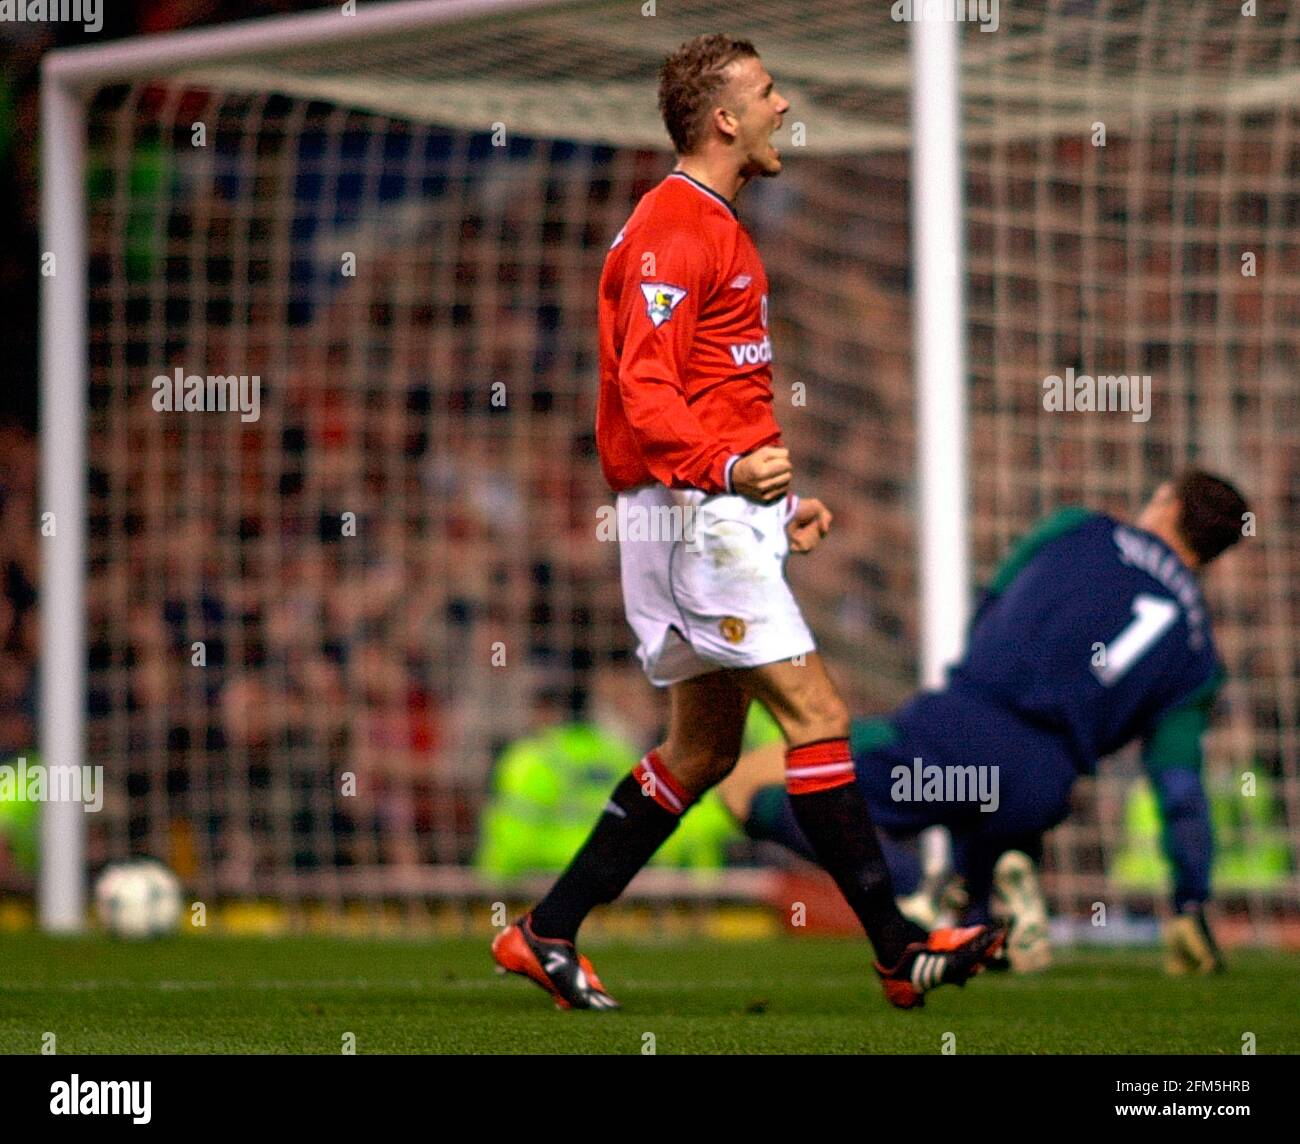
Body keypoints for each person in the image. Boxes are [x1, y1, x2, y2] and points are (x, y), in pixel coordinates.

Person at [491, 34, 1003, 1012]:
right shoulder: (673, 226)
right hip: (693, 515)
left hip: (712, 513)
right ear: (723, 117)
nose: (783, 104)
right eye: (768, 91)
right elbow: (644, 387)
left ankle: (544, 930)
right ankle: (896, 949)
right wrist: (725, 472)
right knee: (818, 719)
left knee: (702, 752)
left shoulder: (706, 223)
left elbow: (701, 384)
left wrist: (766, 502)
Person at [721, 471, 1248, 973]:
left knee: (745, 786)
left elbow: (990, 608)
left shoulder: (1078, 528)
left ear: (1170, 505)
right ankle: (985, 900)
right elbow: (1179, 790)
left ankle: (917, 889)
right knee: (979, 899)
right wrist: (1189, 902)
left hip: (962, 730)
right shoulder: (1198, 657)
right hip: (1045, 784)